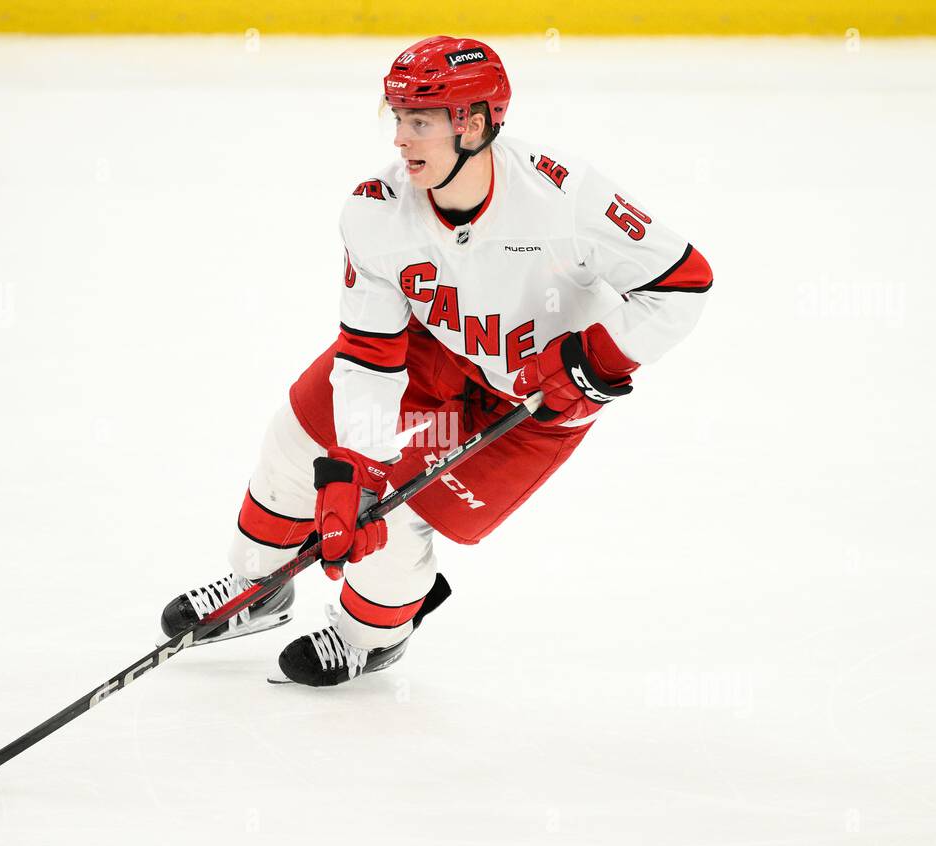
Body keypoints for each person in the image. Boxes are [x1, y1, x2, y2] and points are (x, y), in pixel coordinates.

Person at [161, 35, 713, 687]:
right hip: (433, 353)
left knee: (397, 520)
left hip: (538, 396)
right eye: (397, 116)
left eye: (419, 120)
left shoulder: (564, 199)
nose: (401, 137)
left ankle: (373, 635)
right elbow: (368, 352)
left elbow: (682, 281)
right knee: (295, 440)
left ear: (475, 124)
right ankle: (259, 584)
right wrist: (354, 465)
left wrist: (596, 358)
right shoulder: (376, 212)